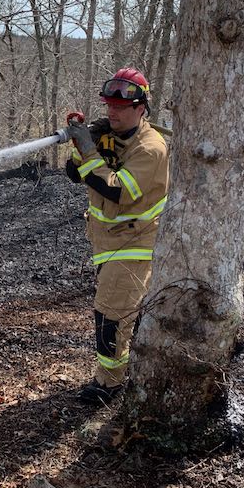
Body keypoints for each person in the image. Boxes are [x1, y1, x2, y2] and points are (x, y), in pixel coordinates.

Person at [65, 67, 170, 405]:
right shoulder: (110, 135)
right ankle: (129, 372)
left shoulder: (151, 149)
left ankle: (109, 384)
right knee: (120, 312)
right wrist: (85, 142)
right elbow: (73, 173)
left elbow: (115, 192)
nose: (112, 112)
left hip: (135, 242)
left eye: (120, 108)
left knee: (110, 315)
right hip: (105, 239)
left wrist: (89, 152)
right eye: (109, 106)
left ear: (141, 108)